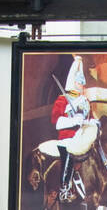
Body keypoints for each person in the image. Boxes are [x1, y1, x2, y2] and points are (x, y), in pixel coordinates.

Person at [37, 56, 100, 202]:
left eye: (83, 82)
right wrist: (73, 120)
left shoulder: (85, 102)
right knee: (69, 150)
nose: (82, 85)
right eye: (79, 81)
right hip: (68, 137)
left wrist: (94, 122)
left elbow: (88, 118)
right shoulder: (62, 100)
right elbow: (57, 122)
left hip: (83, 135)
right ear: (72, 81)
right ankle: (64, 187)